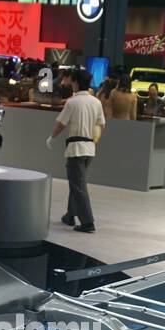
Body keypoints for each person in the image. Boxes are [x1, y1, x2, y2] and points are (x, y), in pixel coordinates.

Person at [48, 67, 105, 234]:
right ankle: (70, 215)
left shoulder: (72, 102)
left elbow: (61, 123)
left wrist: (51, 137)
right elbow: (101, 125)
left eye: (71, 80)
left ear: (76, 82)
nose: (70, 83)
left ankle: (87, 222)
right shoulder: (96, 102)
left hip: (76, 148)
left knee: (78, 185)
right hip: (89, 149)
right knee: (77, 182)